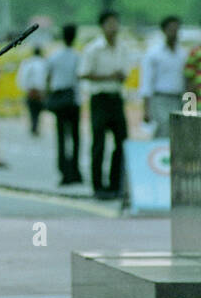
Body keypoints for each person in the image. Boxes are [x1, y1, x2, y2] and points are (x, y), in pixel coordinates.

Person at [78, 11, 130, 199]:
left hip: (116, 97)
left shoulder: (123, 47)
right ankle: (98, 186)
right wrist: (108, 76)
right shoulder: (93, 49)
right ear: (102, 26)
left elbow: (125, 73)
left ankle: (116, 185)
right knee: (99, 143)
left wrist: (119, 76)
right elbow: (83, 73)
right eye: (109, 23)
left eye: (116, 23)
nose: (113, 27)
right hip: (99, 98)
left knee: (121, 142)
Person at [139, 15, 186, 139]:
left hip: (179, 98)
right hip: (160, 98)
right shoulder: (154, 54)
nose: (174, 33)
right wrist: (146, 109)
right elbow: (147, 82)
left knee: (180, 132)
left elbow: (187, 81)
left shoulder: (183, 54)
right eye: (171, 29)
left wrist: (189, 104)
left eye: (177, 29)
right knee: (164, 130)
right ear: (164, 31)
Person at [46, 24, 82, 184]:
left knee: (61, 137)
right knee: (75, 137)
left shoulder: (54, 56)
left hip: (59, 97)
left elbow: (48, 78)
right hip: (72, 99)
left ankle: (63, 171)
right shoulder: (77, 56)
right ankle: (75, 170)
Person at [16, 46, 48, 135]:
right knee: (38, 111)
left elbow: (22, 77)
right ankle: (35, 126)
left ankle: (34, 126)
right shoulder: (44, 63)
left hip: (31, 91)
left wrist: (25, 88)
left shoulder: (28, 62)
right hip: (40, 91)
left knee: (32, 111)